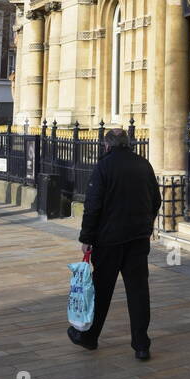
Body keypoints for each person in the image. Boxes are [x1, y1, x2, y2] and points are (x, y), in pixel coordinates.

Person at [68, 128, 162, 359]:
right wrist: (146, 227)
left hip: (109, 240)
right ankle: (141, 345)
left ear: (107, 145)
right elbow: (156, 200)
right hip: (138, 239)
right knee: (139, 292)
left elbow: (93, 205)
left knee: (102, 290)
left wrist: (86, 238)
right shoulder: (144, 165)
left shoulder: (104, 166)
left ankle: (89, 337)